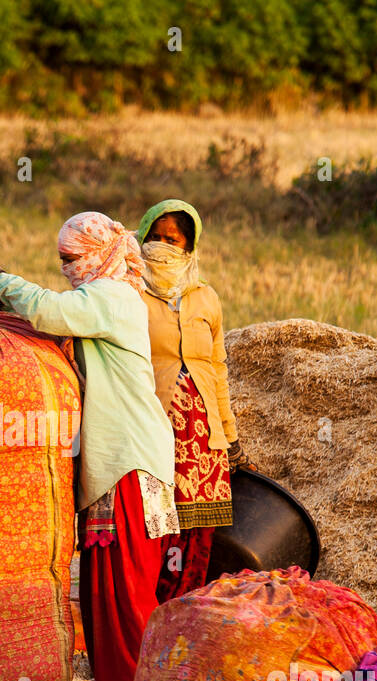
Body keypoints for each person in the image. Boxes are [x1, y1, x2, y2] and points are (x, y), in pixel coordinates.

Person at [0, 212, 176, 681]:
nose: (66, 270)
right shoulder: (102, 297)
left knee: (127, 586)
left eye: (71, 259)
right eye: (60, 262)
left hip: (129, 458)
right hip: (116, 458)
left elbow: (48, 312)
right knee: (103, 584)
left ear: (99, 253)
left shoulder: (114, 298)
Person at [135, 199, 252, 603]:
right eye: (156, 237)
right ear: (142, 237)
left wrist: (231, 439)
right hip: (153, 433)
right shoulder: (130, 294)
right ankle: (149, 617)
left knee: (197, 542)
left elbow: (217, 370)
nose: (162, 247)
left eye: (173, 240)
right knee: (156, 530)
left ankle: (183, 617)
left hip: (204, 443)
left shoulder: (206, 298)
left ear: (189, 248)